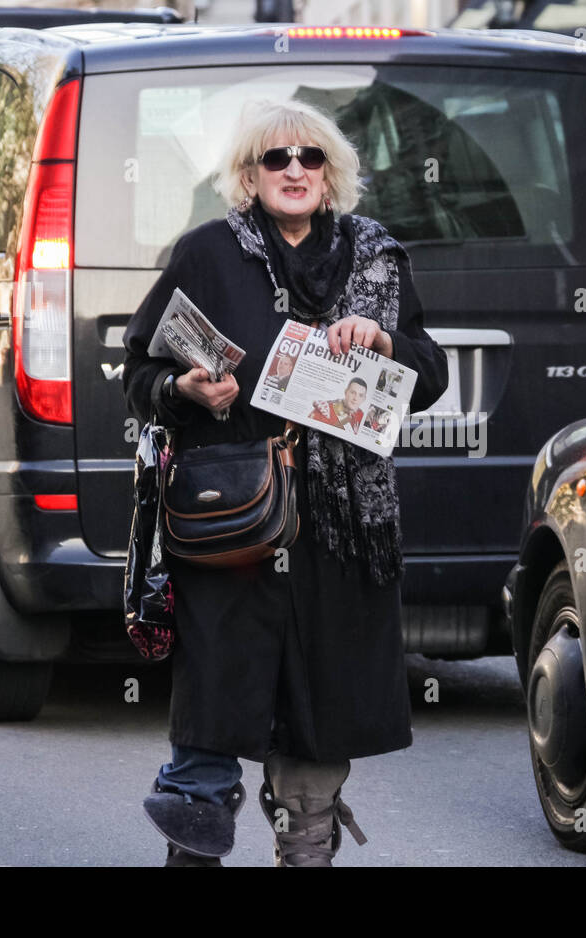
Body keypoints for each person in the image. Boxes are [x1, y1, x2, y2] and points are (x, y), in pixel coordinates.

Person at [122, 98, 448, 867]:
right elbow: (139, 371)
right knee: (212, 716)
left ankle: (306, 843)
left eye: (309, 158)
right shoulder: (207, 254)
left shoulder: (379, 257)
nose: (294, 170)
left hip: (341, 532)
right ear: (249, 177)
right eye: (276, 159)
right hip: (232, 519)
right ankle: (194, 842)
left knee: (318, 725)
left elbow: (428, 373)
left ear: (331, 176)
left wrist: (386, 342)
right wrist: (185, 391)